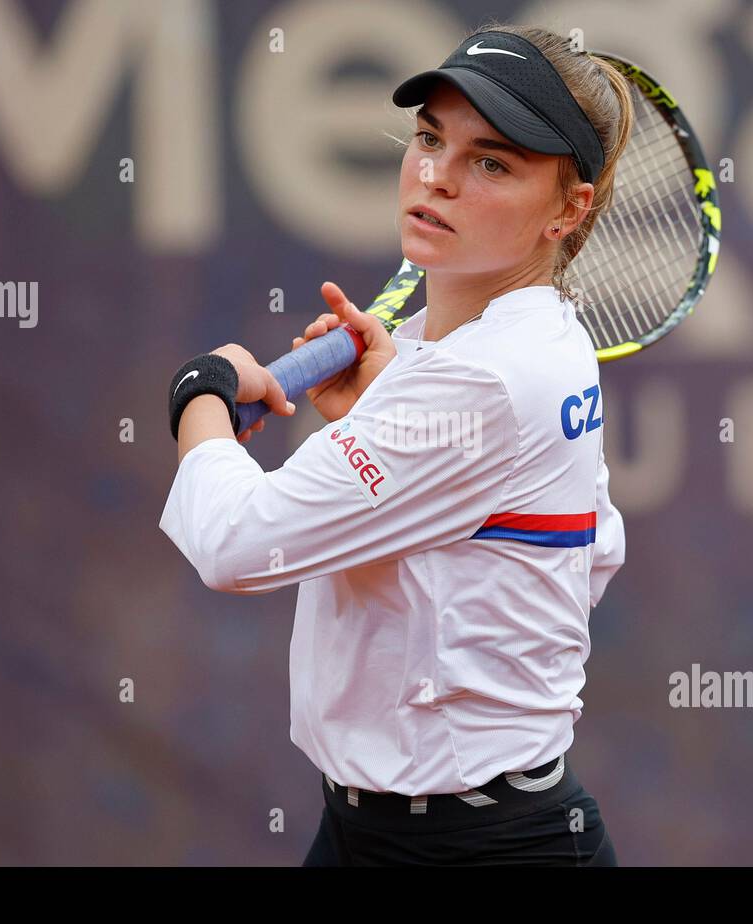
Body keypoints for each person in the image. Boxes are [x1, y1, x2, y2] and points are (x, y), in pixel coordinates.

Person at [160, 22, 631, 866]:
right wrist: (386, 421)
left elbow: (234, 546)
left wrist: (200, 393)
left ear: (569, 209)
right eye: (429, 139)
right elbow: (588, 555)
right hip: (367, 837)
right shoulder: (535, 345)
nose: (437, 177)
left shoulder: (480, 380)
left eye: (492, 162)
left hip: (482, 851)